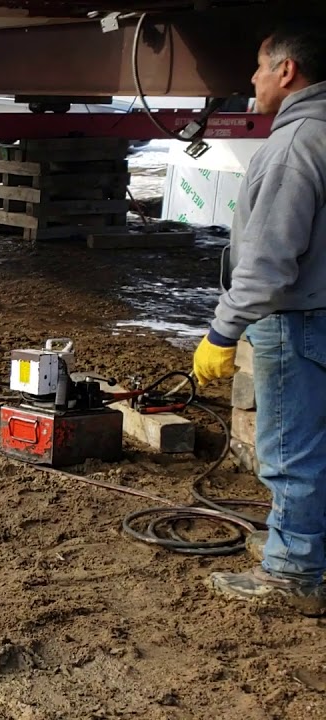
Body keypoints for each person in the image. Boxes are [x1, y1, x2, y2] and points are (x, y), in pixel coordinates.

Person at [193, 21, 326, 616]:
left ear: (286, 71)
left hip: (297, 319)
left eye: (258, 66)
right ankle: (307, 548)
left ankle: (294, 571)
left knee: (291, 452)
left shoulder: (295, 145)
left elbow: (269, 259)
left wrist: (222, 330)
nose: (251, 79)